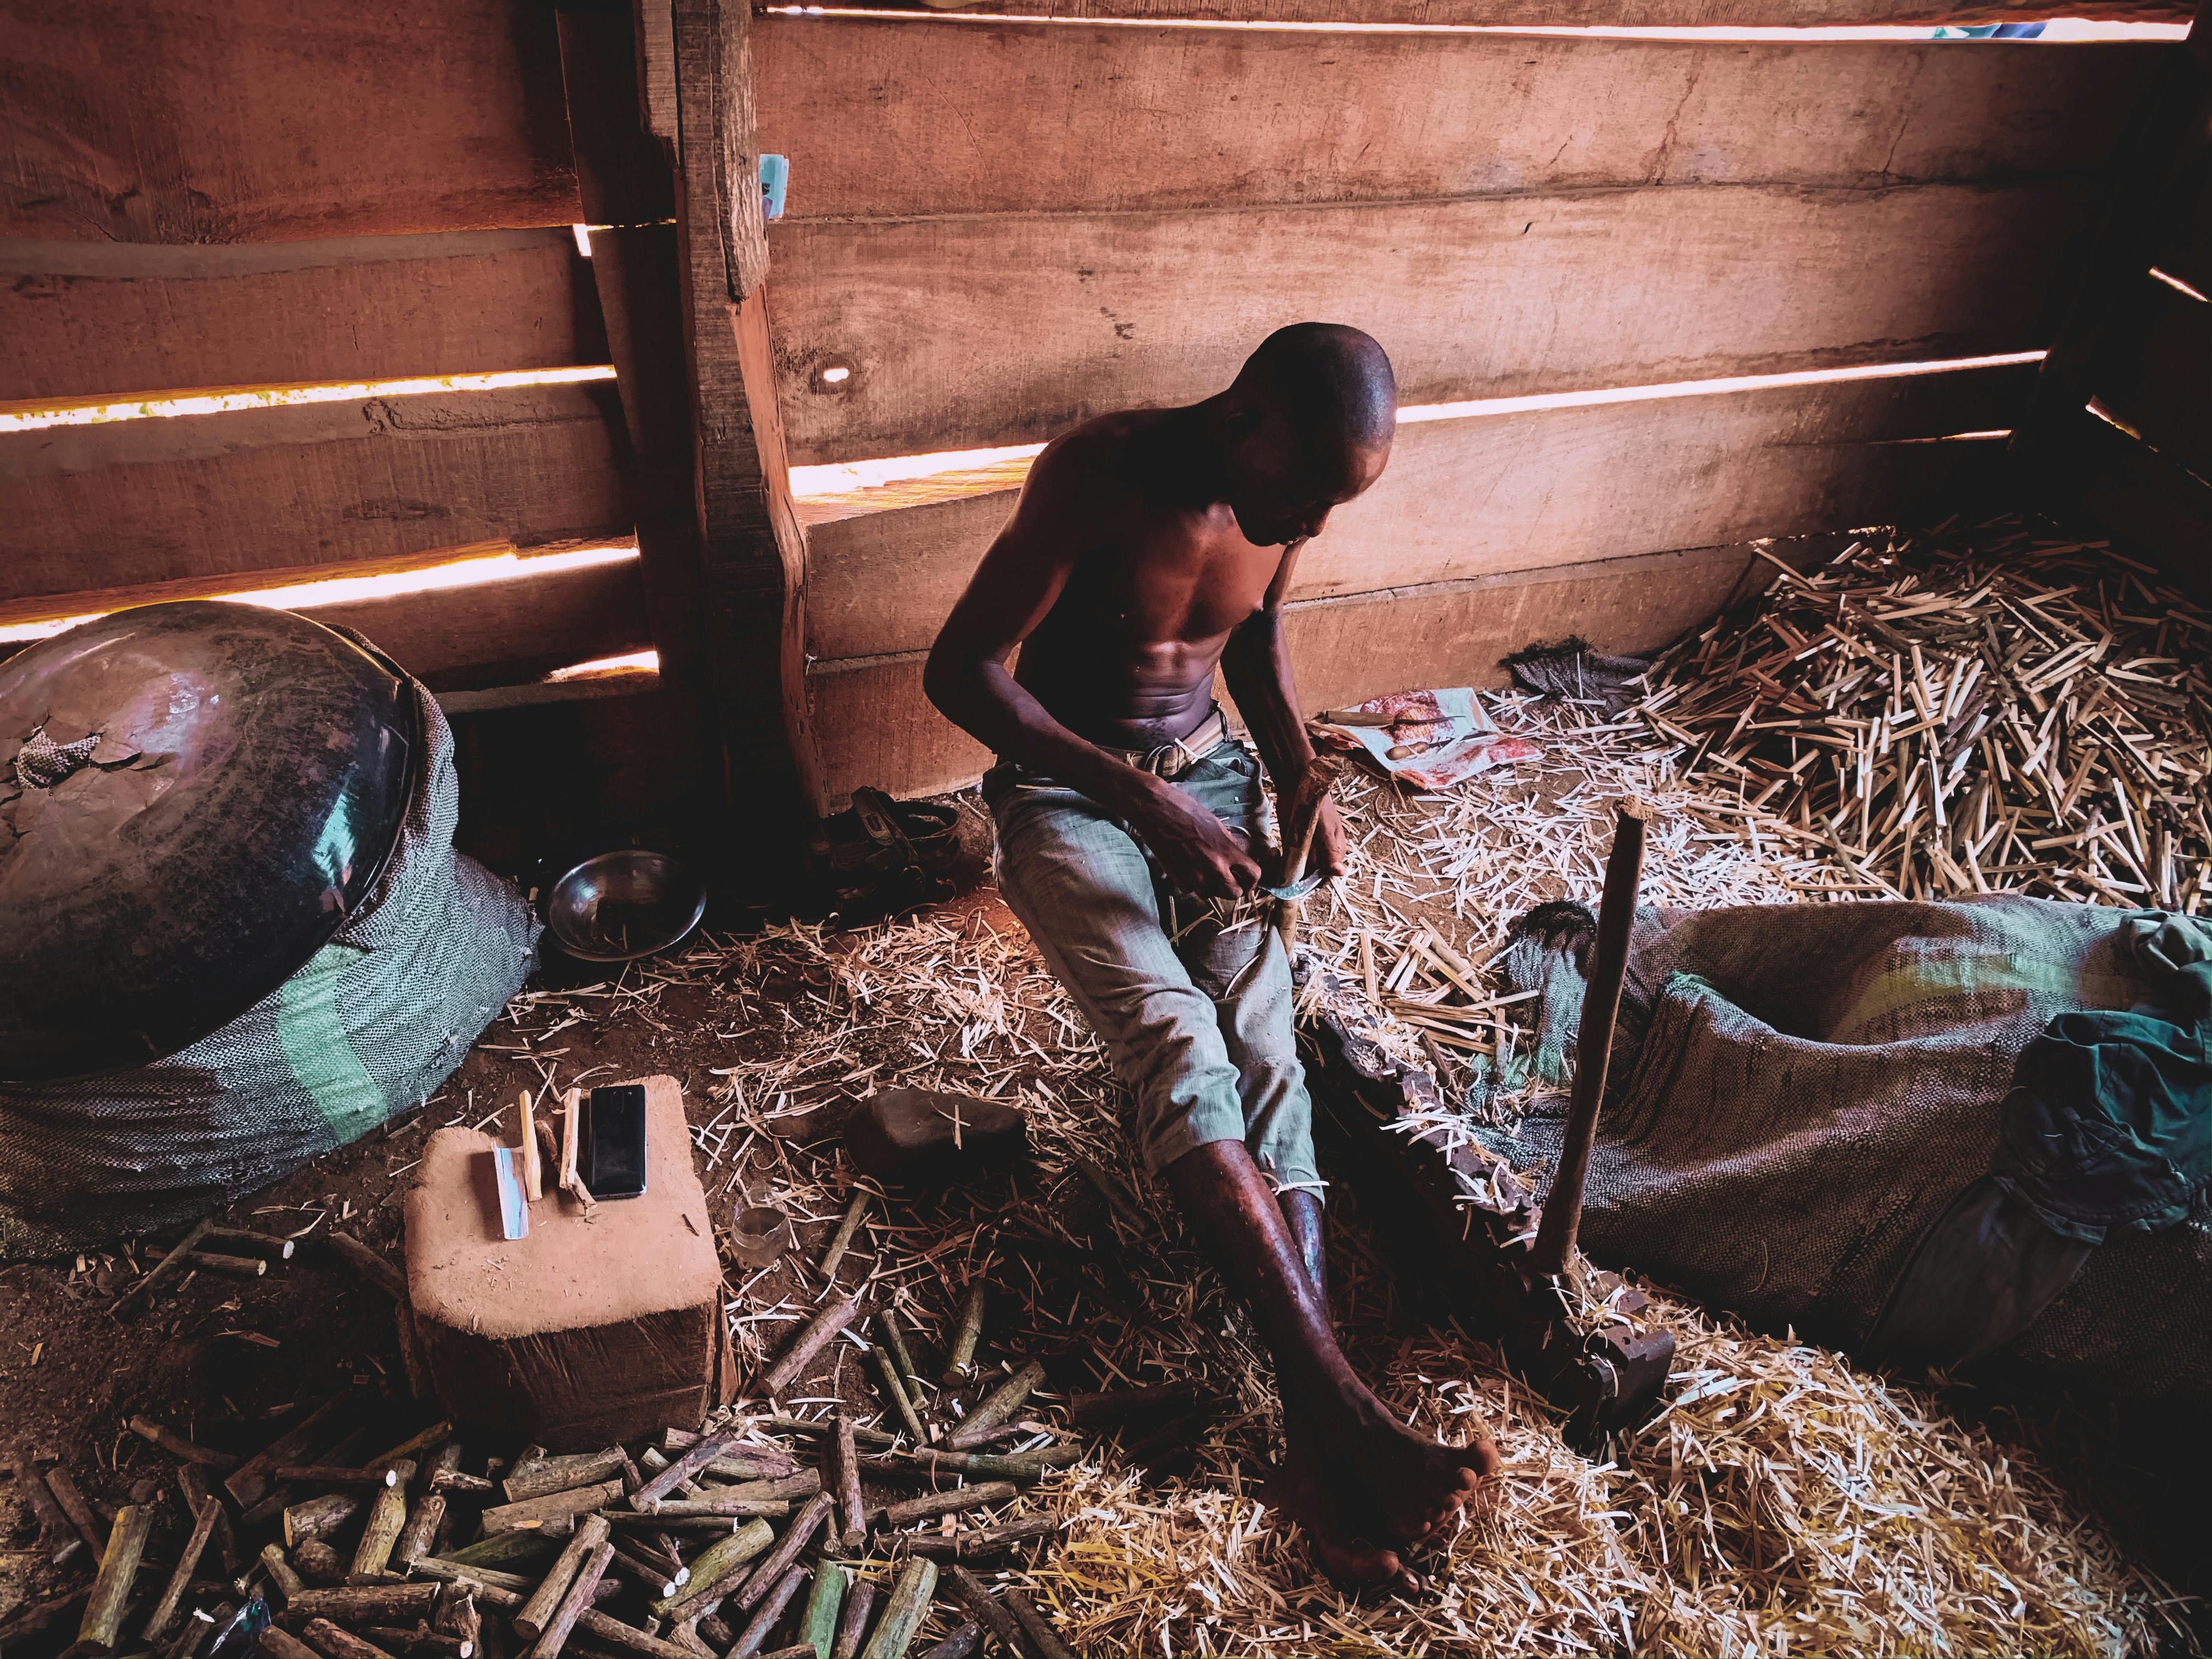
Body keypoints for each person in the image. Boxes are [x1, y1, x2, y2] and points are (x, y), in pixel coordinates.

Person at [926, 323, 1499, 1588]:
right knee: (1181, 1044)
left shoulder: (1286, 501)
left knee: (1267, 1055)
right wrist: (1143, 803)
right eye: (1303, 493)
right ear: (1247, 423)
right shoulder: (1100, 474)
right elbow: (958, 671)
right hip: (1068, 799)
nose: (1310, 523)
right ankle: (1342, 1414)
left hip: (1214, 783)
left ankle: (1316, 1430)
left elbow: (1249, 643)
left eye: (1332, 507)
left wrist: (1297, 770)